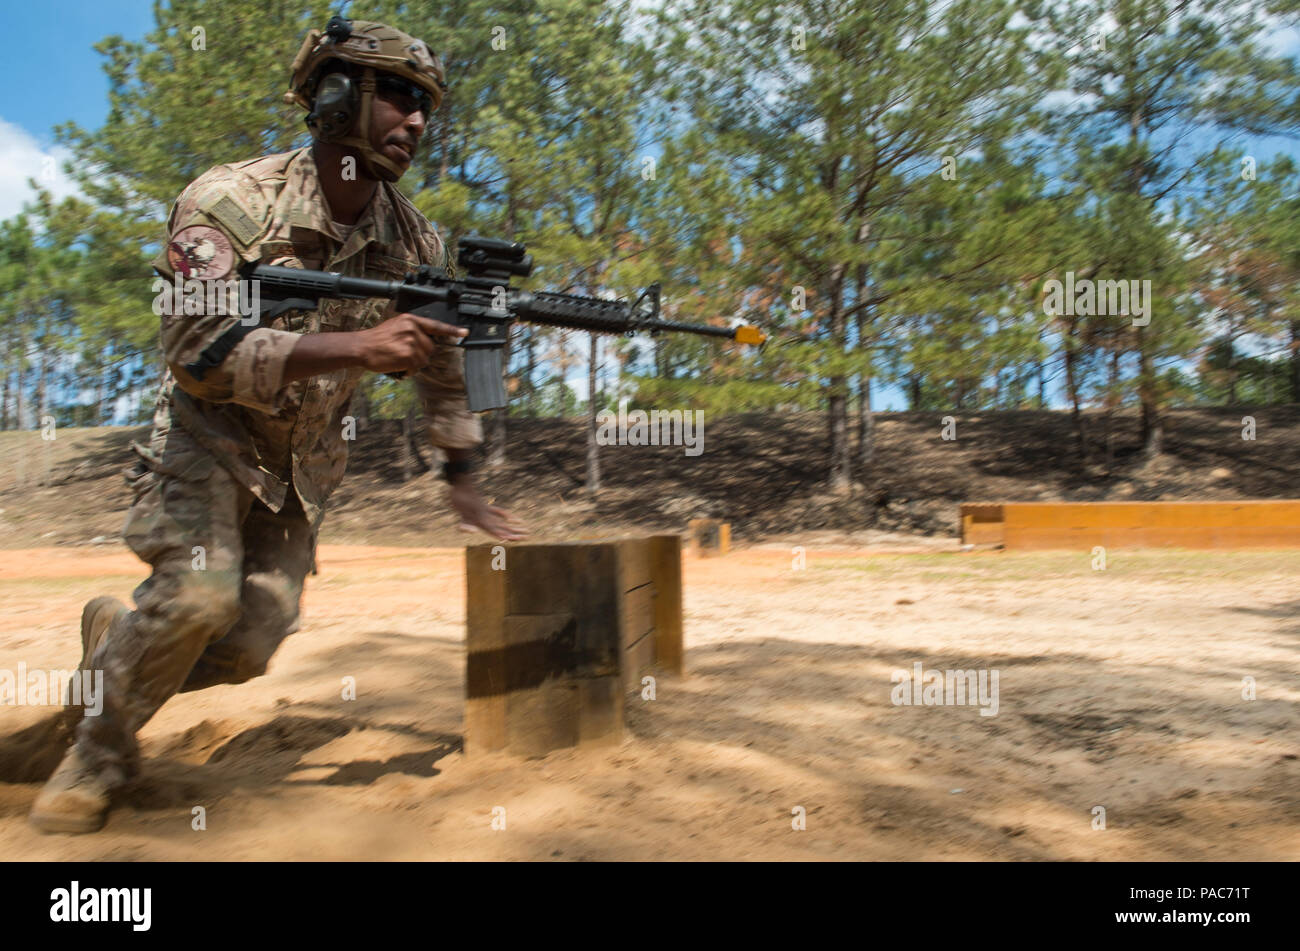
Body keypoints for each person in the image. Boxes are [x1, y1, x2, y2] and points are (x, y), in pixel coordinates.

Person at [29, 15, 527, 834]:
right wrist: (360, 346)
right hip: (205, 438)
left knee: (252, 640)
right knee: (196, 598)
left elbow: (441, 371)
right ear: (336, 96)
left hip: (300, 466)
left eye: (426, 105)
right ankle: (99, 754)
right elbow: (196, 350)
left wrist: (463, 476)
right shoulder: (227, 202)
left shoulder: (413, 240)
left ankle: (116, 651)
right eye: (397, 95)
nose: (417, 121)